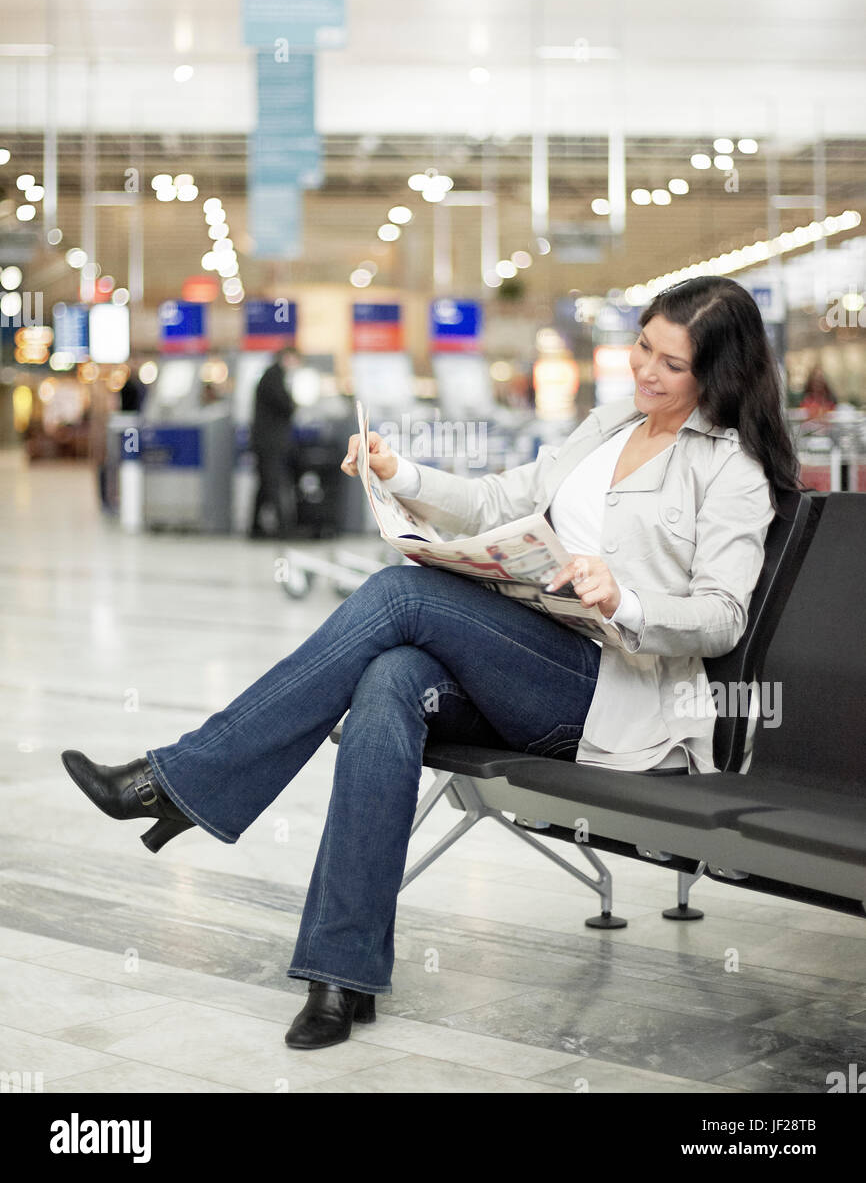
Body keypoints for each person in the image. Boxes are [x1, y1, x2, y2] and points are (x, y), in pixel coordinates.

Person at [60, 276, 801, 1051]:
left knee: (398, 596)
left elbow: (722, 619)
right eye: (642, 345)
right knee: (389, 683)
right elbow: (501, 501)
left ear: (716, 375)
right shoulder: (613, 421)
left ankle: (175, 782)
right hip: (524, 654)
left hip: (609, 687)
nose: (644, 370)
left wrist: (626, 601)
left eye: (670, 364)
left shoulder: (731, 469)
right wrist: (400, 476)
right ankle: (338, 976)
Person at [248, 344, 300, 538]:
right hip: (270, 442)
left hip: (264, 441)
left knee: (264, 484)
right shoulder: (274, 376)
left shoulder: (269, 375)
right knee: (274, 482)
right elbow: (286, 405)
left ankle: (255, 527)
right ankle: (283, 528)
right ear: (287, 357)